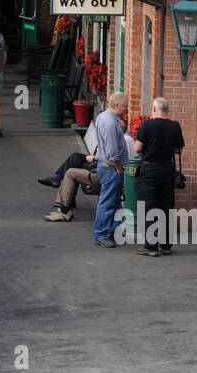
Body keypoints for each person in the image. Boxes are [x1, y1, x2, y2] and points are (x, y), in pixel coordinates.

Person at [133, 96, 185, 257]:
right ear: (167, 110)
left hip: (149, 170)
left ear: (154, 110)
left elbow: (137, 148)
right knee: (166, 206)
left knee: (149, 206)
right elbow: (179, 150)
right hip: (167, 169)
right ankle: (166, 245)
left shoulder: (147, 124)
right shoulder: (175, 126)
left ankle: (151, 246)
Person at [44, 133, 135, 222]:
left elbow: (112, 159)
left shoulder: (118, 140)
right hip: (109, 171)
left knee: (70, 172)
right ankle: (64, 200)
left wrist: (96, 158)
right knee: (75, 159)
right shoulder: (126, 138)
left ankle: (64, 210)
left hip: (107, 174)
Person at [92, 91, 130, 246]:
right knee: (107, 202)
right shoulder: (110, 123)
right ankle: (101, 235)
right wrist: (119, 168)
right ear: (117, 105)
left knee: (113, 202)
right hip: (111, 168)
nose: (126, 109)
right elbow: (112, 152)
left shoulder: (105, 117)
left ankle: (113, 232)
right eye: (125, 106)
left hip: (107, 166)